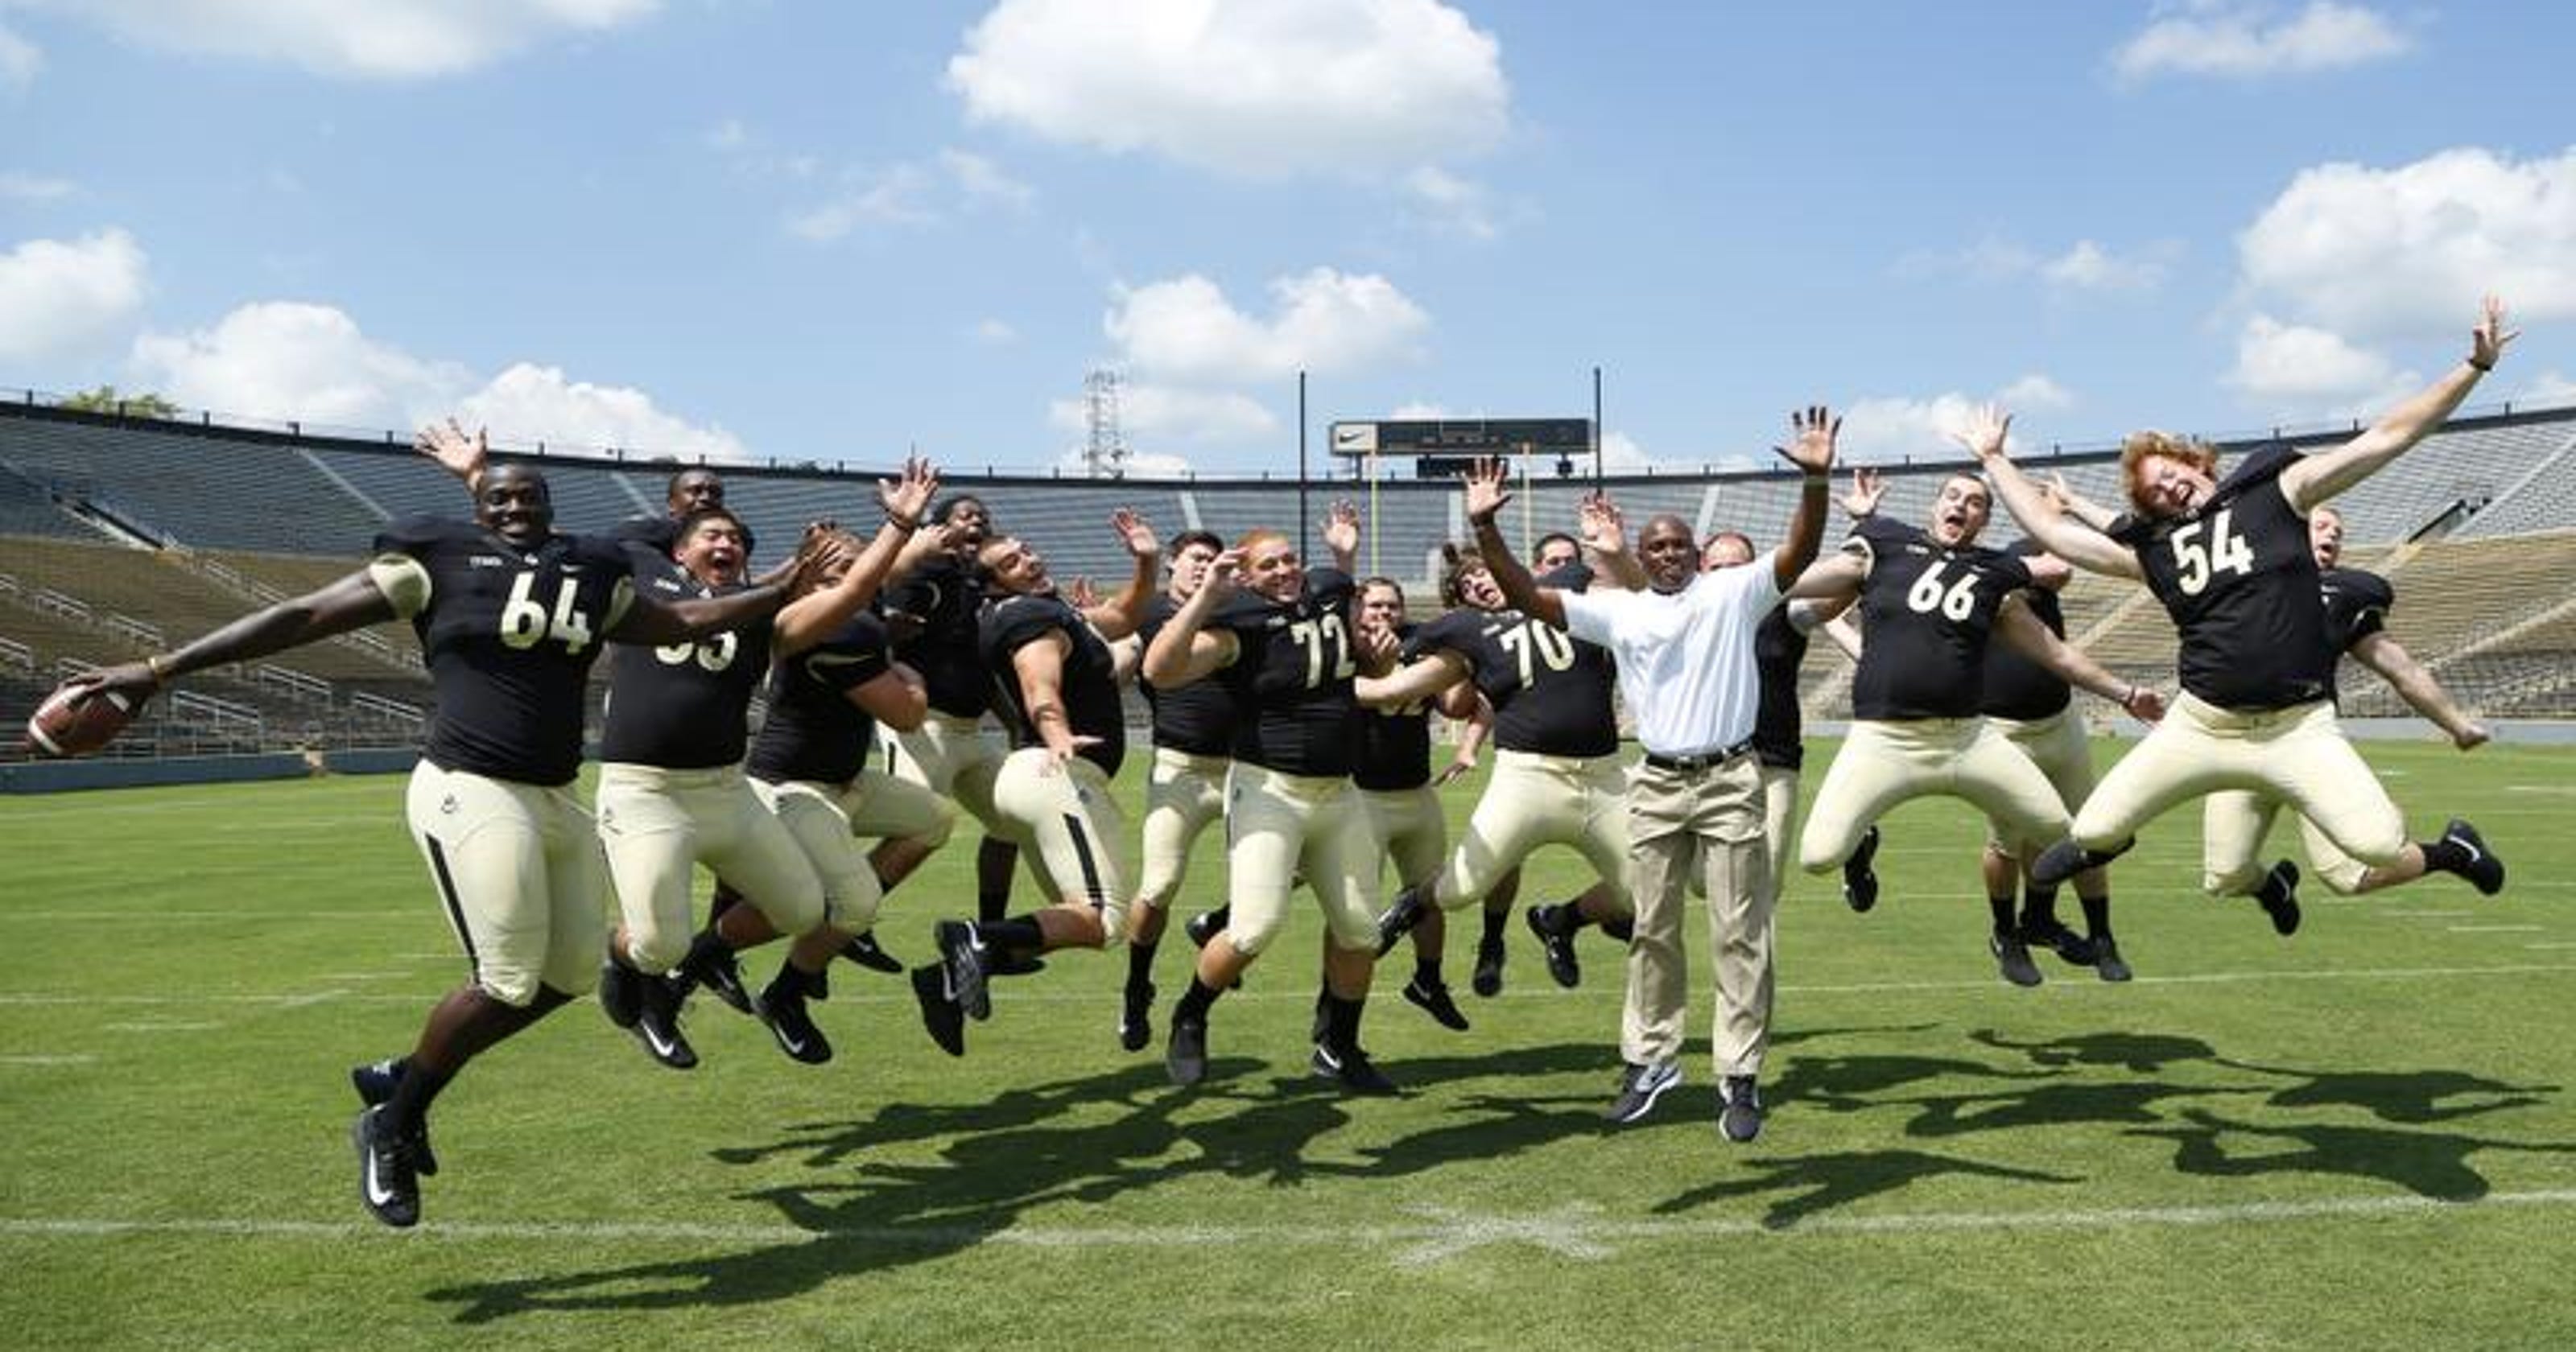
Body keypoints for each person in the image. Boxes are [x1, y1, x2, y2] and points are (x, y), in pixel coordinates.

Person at [44, 445, 824, 1228]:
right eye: (499, 498)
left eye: (528, 496)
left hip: (556, 795)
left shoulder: (588, 572)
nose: (514, 507)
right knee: (507, 979)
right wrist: (162, 667)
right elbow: (302, 615)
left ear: (549, 505)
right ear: (477, 506)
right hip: (470, 786)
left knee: (570, 974)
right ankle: (394, 1121)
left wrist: (781, 585)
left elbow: (683, 620)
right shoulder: (436, 560)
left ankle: (402, 1077)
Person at [1978, 295, 2518, 925]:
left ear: (2194, 461)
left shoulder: (2277, 492)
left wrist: (2473, 369)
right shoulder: (2159, 550)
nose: (2168, 487)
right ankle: (2252, 881)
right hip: (2203, 725)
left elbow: (2388, 437)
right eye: (2154, 491)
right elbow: (2055, 532)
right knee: (2097, 831)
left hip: (2298, 725)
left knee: (2373, 847)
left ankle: (2447, 852)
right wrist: (1994, 461)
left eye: (2170, 472)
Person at [1455, 406, 1839, 1141]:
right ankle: (1651, 1061)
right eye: (1656, 546)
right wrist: (1484, 528)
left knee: (1740, 931)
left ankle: (1740, 1074)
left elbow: (1800, 548)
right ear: (1641, 553)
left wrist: (1816, 480)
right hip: (1657, 782)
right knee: (1652, 928)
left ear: (1695, 552)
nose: (1668, 554)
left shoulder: (1735, 591)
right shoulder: (1619, 611)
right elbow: (1525, 595)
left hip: (1730, 778)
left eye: (1678, 545)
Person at [592, 462, 941, 1071]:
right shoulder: (644, 579)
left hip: (727, 790)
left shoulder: (764, 618)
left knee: (803, 910)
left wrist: (899, 526)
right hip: (647, 790)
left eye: (735, 539)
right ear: (678, 550)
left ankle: (716, 969)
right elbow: (570, 542)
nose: (724, 543)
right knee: (658, 944)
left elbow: (852, 592)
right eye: (711, 535)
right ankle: (623, 960)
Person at [1794, 468, 2160, 986]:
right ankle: (1861, 846)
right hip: (1885, 738)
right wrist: (1743, 581)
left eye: (1975, 502)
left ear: (1985, 520)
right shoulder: (1886, 543)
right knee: (1817, 857)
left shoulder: (1995, 571)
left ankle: (2038, 922)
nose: (1961, 506)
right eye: (1953, 496)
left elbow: (2055, 648)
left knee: (2075, 838)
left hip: (1970, 738)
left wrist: (2125, 693)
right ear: (1934, 504)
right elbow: (1801, 578)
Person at [1141, 514, 1399, 1095]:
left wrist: (1349, 569)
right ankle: (1191, 1012)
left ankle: (1338, 1048)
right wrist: (1208, 595)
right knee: (1253, 929)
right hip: (1270, 788)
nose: (1284, 571)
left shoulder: (1328, 589)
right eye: (1269, 565)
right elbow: (1160, 670)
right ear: (1247, 578)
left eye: (1289, 559)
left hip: (1340, 791)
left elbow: (1360, 660)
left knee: (1360, 932)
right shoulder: (1242, 624)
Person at [906, 510, 1162, 1053]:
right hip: (1055, 775)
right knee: (1102, 919)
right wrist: (1057, 730)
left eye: (1026, 549)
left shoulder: (1044, 609)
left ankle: (944, 980)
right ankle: (973, 936)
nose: (1029, 559)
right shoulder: (1028, 616)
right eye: (1011, 561)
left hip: (1035, 779)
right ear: (995, 584)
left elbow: (1121, 615)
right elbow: (1037, 681)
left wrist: (1146, 562)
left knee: (1068, 917)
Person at [1366, 513, 1636, 995]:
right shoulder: (1467, 630)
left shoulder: (1566, 593)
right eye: (1468, 585)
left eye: (1484, 574)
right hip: (1528, 776)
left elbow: (1630, 589)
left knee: (1643, 893)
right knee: (1460, 890)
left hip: (1602, 776)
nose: (1480, 585)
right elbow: (1404, 669)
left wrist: (1611, 550)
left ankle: (1560, 921)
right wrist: (1353, 680)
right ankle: (1414, 903)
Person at [2198, 504, 2502, 901]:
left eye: (2338, 532)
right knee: (2224, 876)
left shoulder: (2346, 592)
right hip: (2239, 739)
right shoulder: (2245, 578)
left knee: (2346, 875)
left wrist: (2456, 724)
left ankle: (2455, 854)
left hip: (2302, 740)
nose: (2332, 535)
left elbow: (2401, 668)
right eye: (2322, 526)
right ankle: (2276, 889)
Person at [1115, 530, 1237, 1053]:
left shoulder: (1238, 612)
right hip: (1179, 769)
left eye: (1213, 559)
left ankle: (1215, 924)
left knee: (1294, 864)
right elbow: (1118, 665)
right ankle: (1136, 985)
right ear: (1173, 564)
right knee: (1159, 885)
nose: (1205, 566)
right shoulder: (1150, 616)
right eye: (1196, 558)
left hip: (1243, 770)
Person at [881, 493, 1020, 925]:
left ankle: (989, 932)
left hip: (970, 732)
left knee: (1013, 820)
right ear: (939, 529)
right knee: (916, 829)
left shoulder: (975, 586)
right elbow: (879, 625)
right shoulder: (925, 575)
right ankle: (846, 919)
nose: (978, 521)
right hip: (924, 726)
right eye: (966, 515)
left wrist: (1014, 724)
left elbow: (980, 666)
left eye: (984, 516)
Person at [1351, 576, 1476, 1033]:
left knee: (1429, 896)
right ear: (1358, 610)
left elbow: (1457, 706)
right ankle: (1337, 1019)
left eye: (1392, 605)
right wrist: (1378, 666)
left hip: (1417, 791)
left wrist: (1468, 668)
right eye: (1375, 606)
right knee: (1355, 913)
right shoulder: (1345, 647)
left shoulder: (1423, 644)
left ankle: (1428, 981)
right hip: (1362, 796)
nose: (1384, 613)